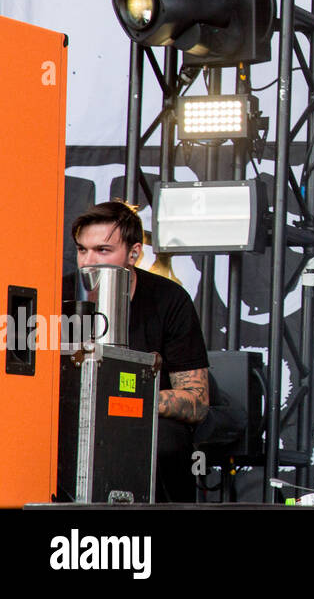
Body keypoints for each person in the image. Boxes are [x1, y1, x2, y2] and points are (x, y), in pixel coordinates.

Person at [72, 200, 209, 501]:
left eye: (103, 250)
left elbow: (197, 401)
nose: (88, 261)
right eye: (83, 249)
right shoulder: (62, 294)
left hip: (140, 417)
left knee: (166, 442)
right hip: (71, 414)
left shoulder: (170, 299)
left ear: (134, 253)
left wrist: (130, 402)